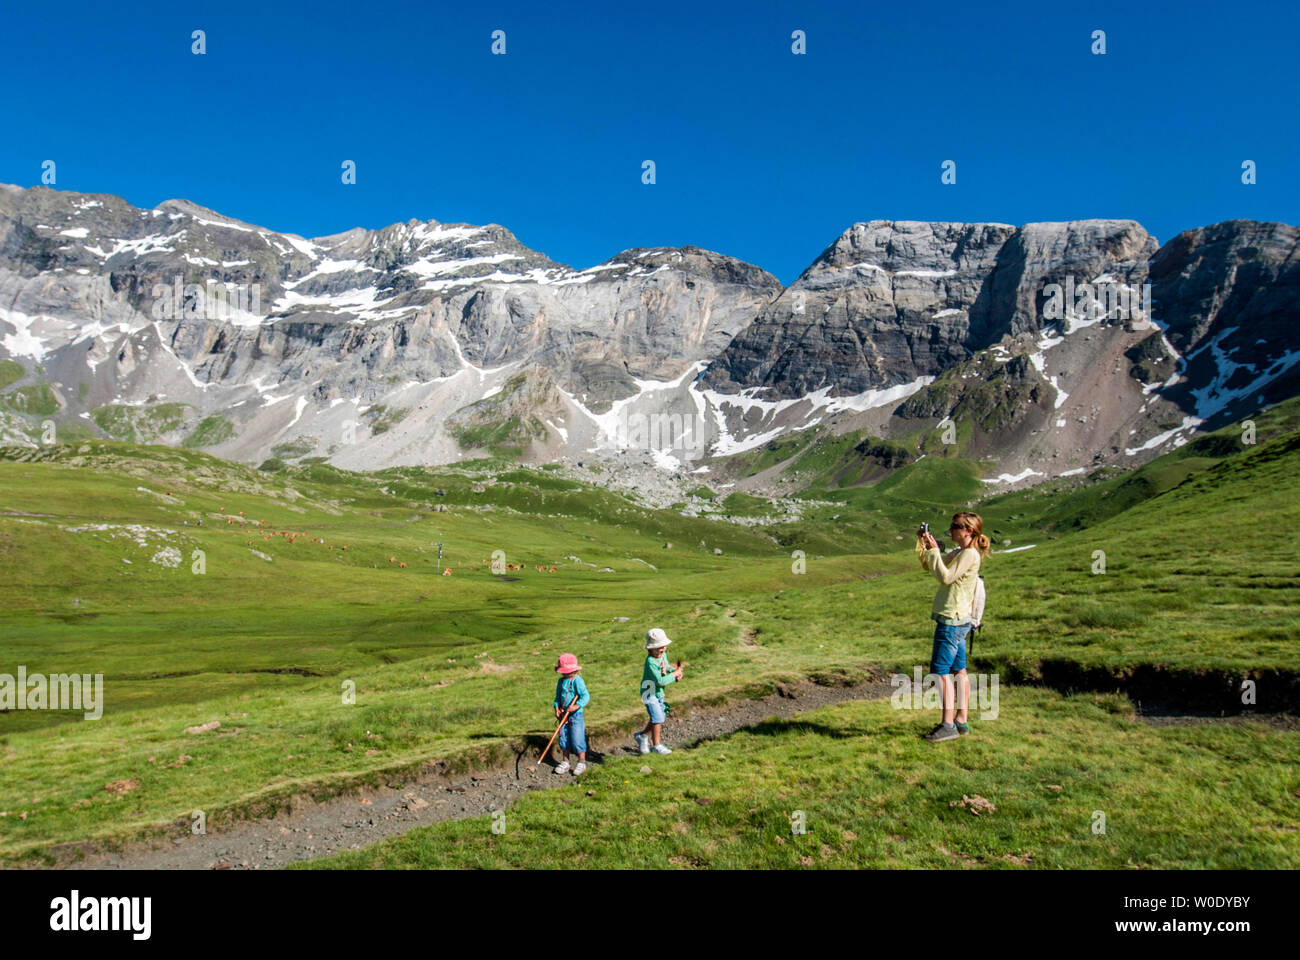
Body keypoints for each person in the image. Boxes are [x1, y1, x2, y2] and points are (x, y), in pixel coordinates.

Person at [917, 512, 991, 742]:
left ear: (968, 531)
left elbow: (945, 578)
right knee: (959, 670)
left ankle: (948, 724)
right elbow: (931, 568)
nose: (951, 530)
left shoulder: (969, 555)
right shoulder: (961, 553)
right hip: (960, 619)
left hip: (951, 620)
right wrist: (926, 546)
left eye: (956, 526)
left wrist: (935, 552)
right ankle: (961, 720)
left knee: (940, 672)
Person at [633, 628, 683, 755]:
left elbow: (665, 667)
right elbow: (660, 681)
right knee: (658, 717)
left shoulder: (663, 656)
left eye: (664, 646)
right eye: (659, 647)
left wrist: (674, 671)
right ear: (650, 649)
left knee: (659, 717)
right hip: (649, 693)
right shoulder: (650, 662)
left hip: (658, 693)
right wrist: (674, 675)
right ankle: (657, 745)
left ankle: (642, 736)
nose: (662, 649)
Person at [551, 653, 590, 775]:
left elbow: (585, 696)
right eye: (564, 672)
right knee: (564, 738)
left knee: (577, 738)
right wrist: (556, 708)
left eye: (567, 672)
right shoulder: (561, 681)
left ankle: (581, 762)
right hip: (563, 715)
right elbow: (557, 697)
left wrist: (576, 706)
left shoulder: (577, 681)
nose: (565, 674)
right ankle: (565, 761)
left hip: (576, 715)